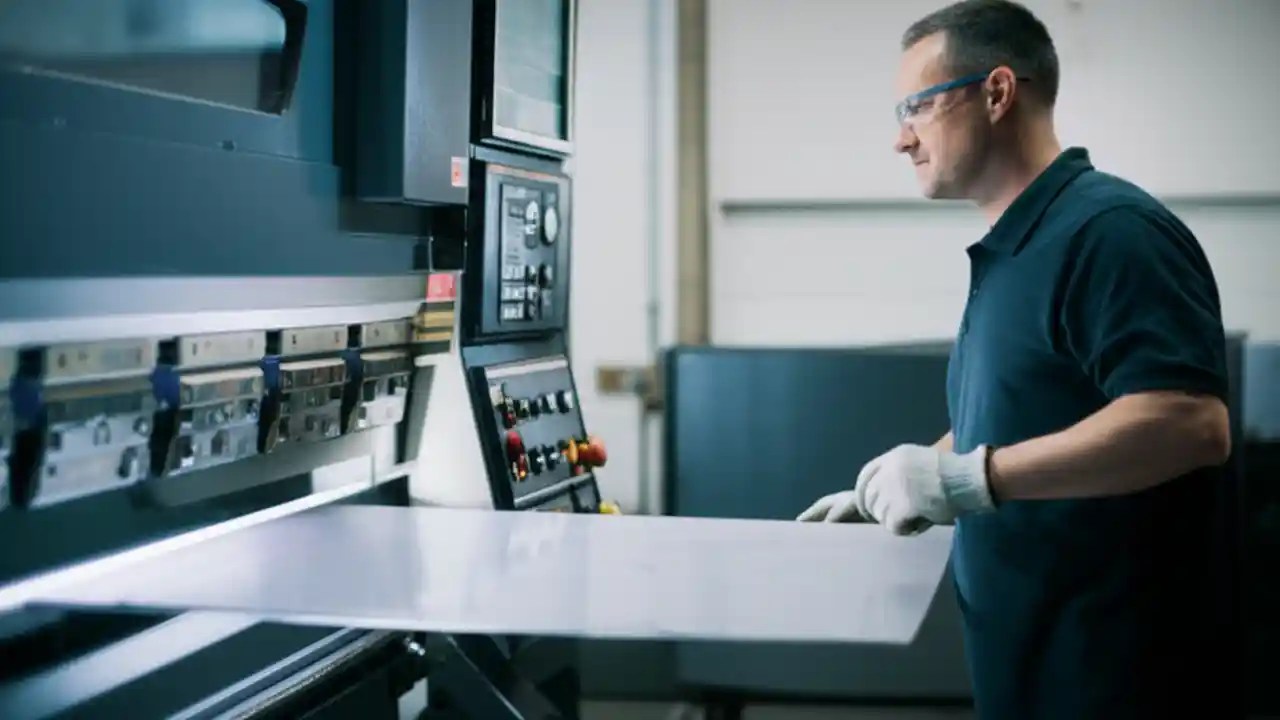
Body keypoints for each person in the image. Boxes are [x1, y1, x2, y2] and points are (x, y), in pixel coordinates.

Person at [796, 1, 1239, 718]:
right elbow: (1026, 411)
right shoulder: (1012, 250)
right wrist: (912, 476)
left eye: (916, 107)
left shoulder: (1110, 233)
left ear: (997, 92)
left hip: (1112, 678)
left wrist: (966, 480)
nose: (901, 139)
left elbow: (1189, 422)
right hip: (1026, 666)